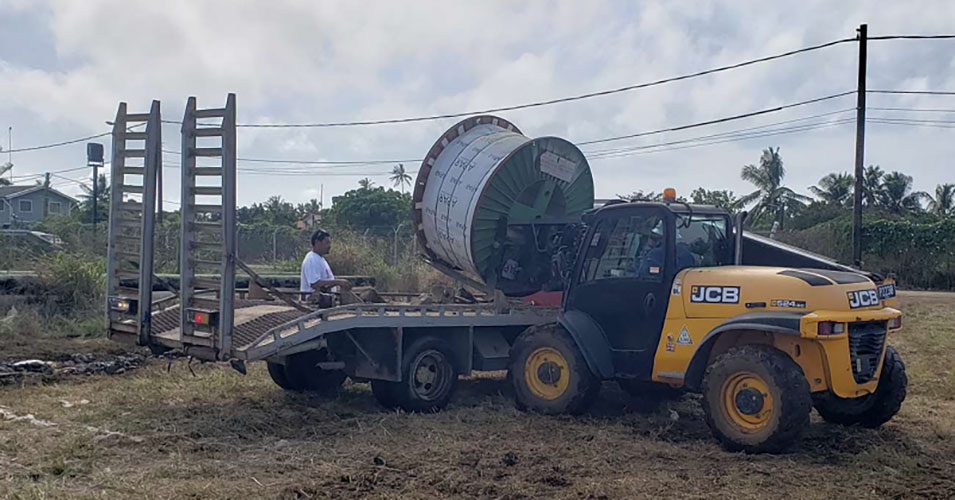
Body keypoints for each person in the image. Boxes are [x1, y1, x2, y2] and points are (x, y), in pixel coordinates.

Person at [300, 229, 352, 299]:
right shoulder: (311, 259)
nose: (329, 246)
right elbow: (315, 284)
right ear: (317, 243)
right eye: (327, 243)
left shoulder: (320, 258)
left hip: (326, 298)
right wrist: (338, 282)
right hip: (314, 300)